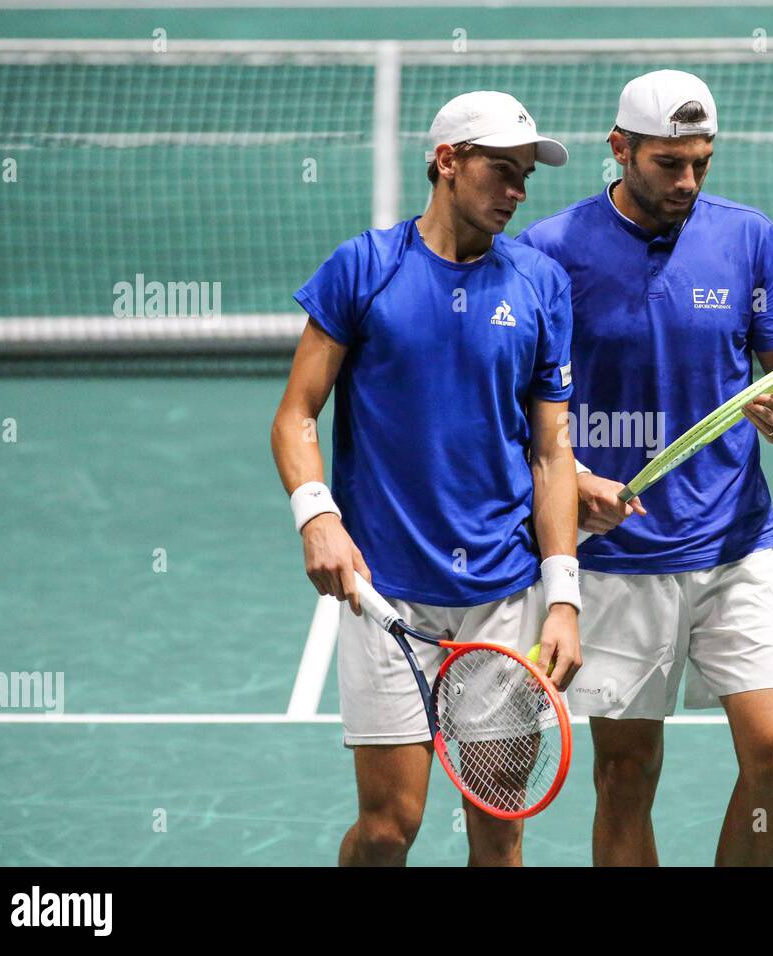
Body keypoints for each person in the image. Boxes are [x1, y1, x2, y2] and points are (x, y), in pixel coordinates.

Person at [271, 91, 582, 867]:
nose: (518, 192)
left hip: (503, 599)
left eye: (525, 178)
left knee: (498, 830)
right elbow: (296, 416)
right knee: (387, 829)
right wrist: (317, 516)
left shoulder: (540, 283)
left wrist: (565, 597)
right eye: (502, 172)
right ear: (447, 162)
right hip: (387, 594)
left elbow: (551, 451)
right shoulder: (364, 269)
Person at [518, 70, 773, 866]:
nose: (687, 181)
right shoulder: (548, 253)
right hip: (617, 556)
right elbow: (511, 402)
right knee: (625, 775)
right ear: (619, 150)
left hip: (736, 541)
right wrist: (572, 481)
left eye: (701, 163)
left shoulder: (747, 237)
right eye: (667, 164)